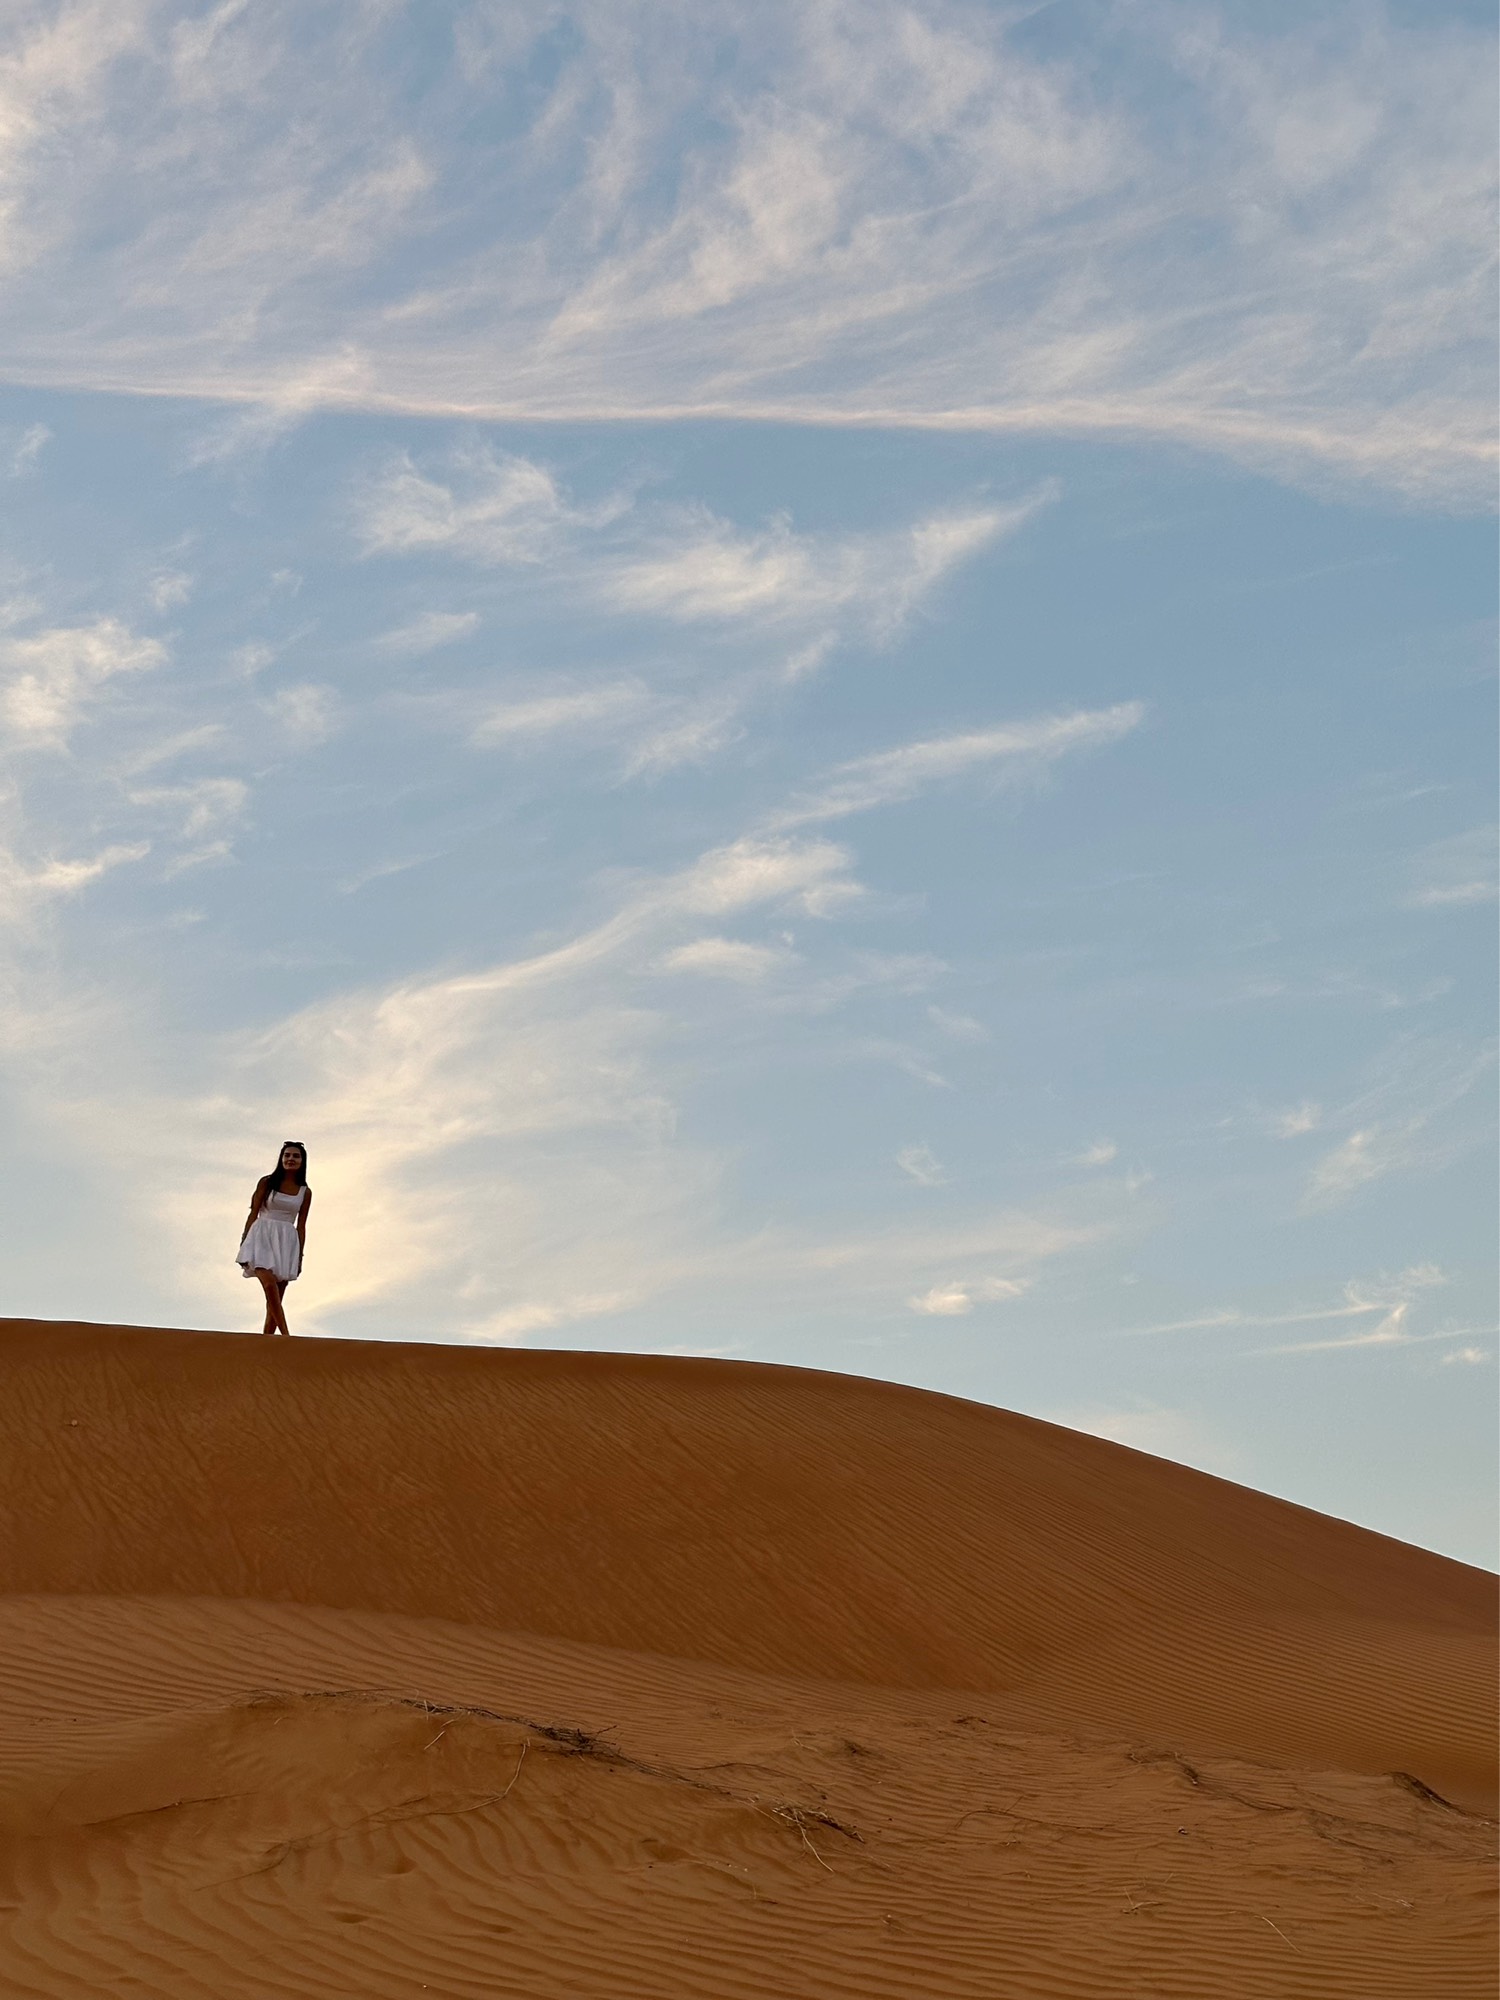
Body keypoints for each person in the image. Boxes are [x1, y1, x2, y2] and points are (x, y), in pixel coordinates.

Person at [237, 1141, 311, 1337]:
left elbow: (302, 1225)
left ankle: (267, 1343)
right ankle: (286, 1336)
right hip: (262, 1234)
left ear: (302, 1161)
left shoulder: (305, 1191)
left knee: (276, 1297)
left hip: (287, 1239)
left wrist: (299, 1257)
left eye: (295, 1156)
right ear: (281, 1158)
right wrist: (244, 1242)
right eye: (287, 1155)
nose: (291, 1159)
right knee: (269, 1285)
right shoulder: (267, 1182)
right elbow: (254, 1212)